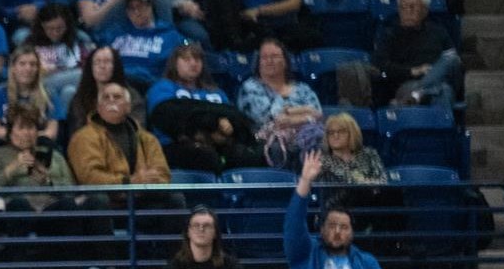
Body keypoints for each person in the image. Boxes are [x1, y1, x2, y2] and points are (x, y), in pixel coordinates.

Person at [0, 105, 87, 269]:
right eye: (21, 127)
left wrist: (49, 181)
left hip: (48, 211)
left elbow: (70, 189)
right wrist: (11, 170)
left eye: (31, 128)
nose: (27, 133)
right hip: (17, 213)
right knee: (19, 205)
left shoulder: (54, 156)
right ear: (11, 131)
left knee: (69, 207)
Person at [148, 43, 260, 175]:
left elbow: (235, 117)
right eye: (186, 59)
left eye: (197, 59)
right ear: (174, 63)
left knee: (247, 155)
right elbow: (167, 116)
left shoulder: (216, 92)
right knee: (205, 156)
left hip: (221, 145)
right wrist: (214, 124)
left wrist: (224, 131)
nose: (193, 63)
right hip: (175, 145)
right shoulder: (163, 87)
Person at [67, 82, 172, 188]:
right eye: (106, 97)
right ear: (98, 107)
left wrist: (150, 180)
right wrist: (128, 182)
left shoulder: (147, 139)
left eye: (117, 97)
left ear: (128, 107)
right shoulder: (83, 137)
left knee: (173, 197)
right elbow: (90, 177)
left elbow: (163, 173)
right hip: (107, 197)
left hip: (143, 194)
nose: (111, 101)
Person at [373, 0, 461, 107]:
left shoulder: (438, 32)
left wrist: (434, 72)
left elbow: (453, 64)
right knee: (443, 91)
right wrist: (413, 71)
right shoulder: (389, 34)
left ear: (424, 10)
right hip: (406, 85)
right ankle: (418, 93)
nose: (408, 11)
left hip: (439, 82)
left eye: (413, 7)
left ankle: (417, 94)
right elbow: (381, 65)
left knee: (451, 60)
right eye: (403, 7)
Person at [238, 39, 322, 161]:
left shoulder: (302, 88)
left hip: (305, 135)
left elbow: (318, 113)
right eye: (264, 57)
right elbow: (270, 117)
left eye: (274, 56)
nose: (269, 61)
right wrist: (306, 113)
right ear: (258, 63)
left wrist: (289, 114)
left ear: (285, 61)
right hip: (267, 140)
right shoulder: (250, 88)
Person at [104, 0, 186, 80]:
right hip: (118, 83)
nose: (136, 12)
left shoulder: (169, 35)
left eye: (140, 6)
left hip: (150, 84)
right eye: (131, 8)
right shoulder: (115, 33)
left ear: (150, 7)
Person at [0, 47, 55, 145]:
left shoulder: (49, 94)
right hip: (6, 145)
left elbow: (51, 132)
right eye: (22, 64)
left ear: (38, 69)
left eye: (33, 64)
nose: (28, 68)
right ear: (13, 68)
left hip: (38, 146)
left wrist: (28, 138)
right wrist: (20, 137)